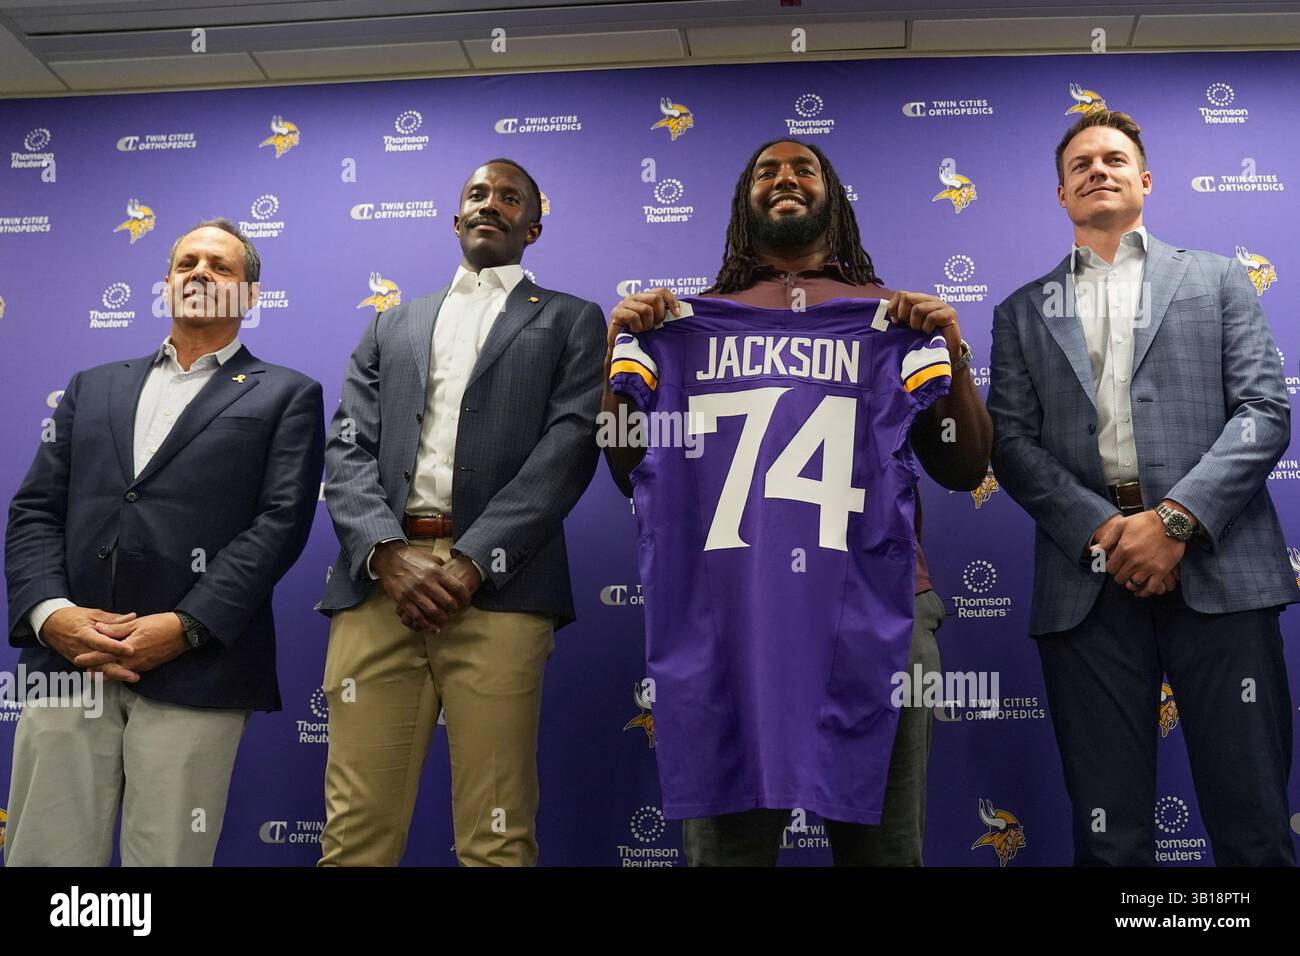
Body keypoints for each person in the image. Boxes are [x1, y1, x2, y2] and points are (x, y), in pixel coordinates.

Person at [604, 139, 992, 866]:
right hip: (734, 609)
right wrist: (623, 351)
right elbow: (627, 463)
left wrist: (951, 348)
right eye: (767, 171)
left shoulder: (891, 317)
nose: (785, 179)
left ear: (832, 198)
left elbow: (966, 465)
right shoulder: (686, 323)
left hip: (878, 609)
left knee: (884, 851)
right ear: (744, 203)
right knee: (728, 854)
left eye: (803, 169)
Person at [987, 110, 1296, 865]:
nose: (1099, 169)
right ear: (1060, 193)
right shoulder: (1021, 312)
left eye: (1115, 158)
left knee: (1255, 822)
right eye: (1082, 163)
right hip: (1088, 586)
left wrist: (1176, 521)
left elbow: (1264, 411)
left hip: (1221, 574)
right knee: (1109, 837)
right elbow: (1012, 445)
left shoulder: (1218, 279)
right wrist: (1107, 532)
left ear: (1145, 181)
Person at [4, 218, 324, 866]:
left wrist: (184, 626)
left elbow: (279, 526)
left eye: (221, 266)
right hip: (70, 663)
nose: (200, 273)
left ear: (250, 295)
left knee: (168, 858)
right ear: (166, 284)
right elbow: (36, 510)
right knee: (46, 857)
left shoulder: (288, 396)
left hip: (196, 667)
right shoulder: (93, 386)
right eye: (187, 263)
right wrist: (51, 616)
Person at [317, 158, 606, 867]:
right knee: (354, 832)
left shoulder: (571, 319)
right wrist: (386, 554)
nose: (491, 204)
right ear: (456, 219)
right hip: (378, 588)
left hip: (501, 593)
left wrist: (473, 563)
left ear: (532, 227)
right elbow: (347, 445)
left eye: (511, 198)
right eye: (477, 194)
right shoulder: (393, 325)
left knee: (497, 834)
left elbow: (569, 448)